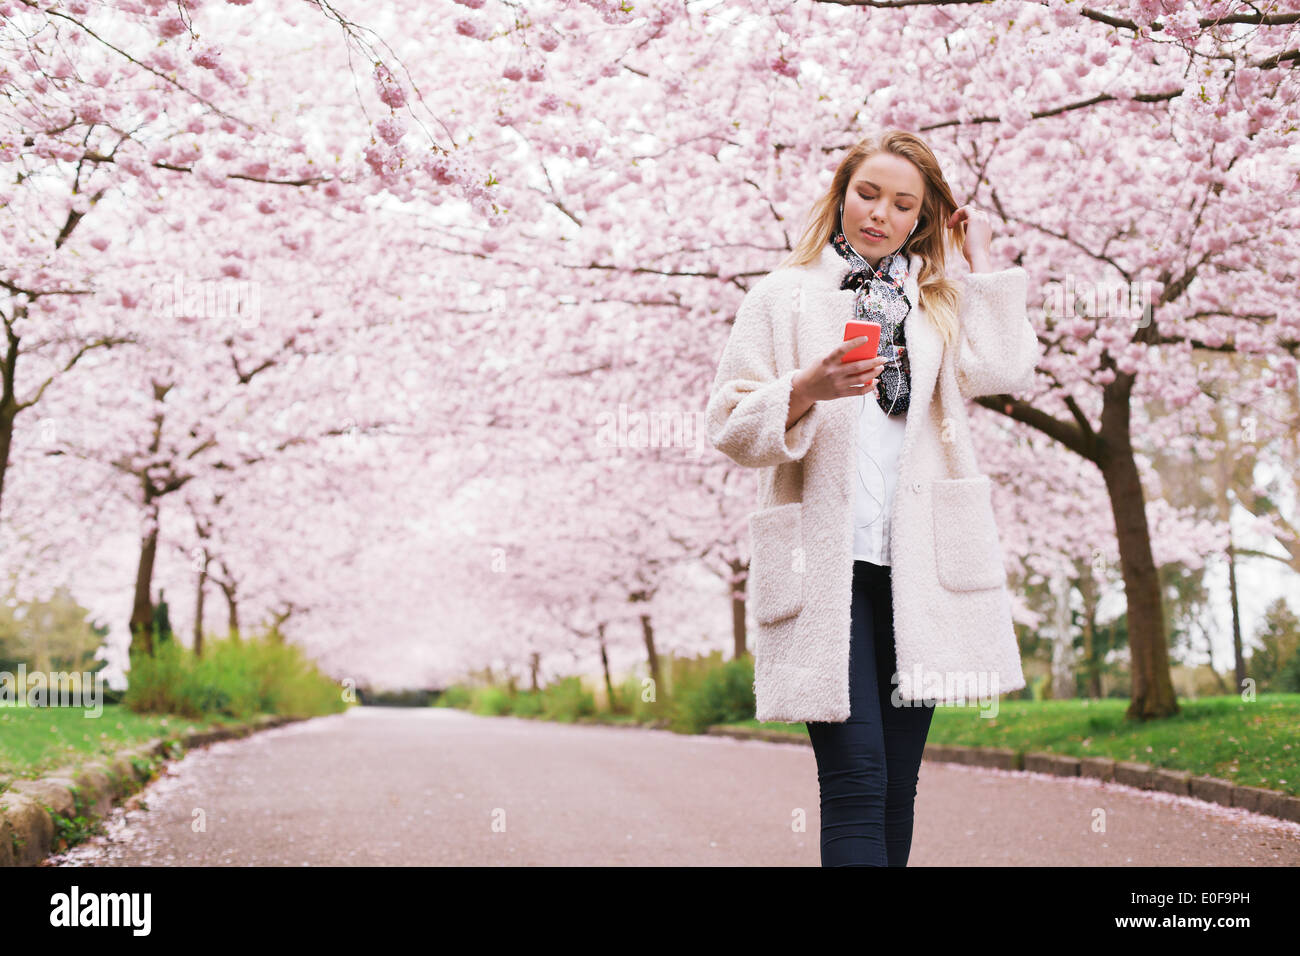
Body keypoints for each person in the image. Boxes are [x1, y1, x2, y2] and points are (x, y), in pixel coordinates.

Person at [706, 128, 1039, 866]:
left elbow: (1005, 365)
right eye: (867, 194)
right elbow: (727, 424)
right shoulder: (784, 298)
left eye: (902, 204)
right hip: (827, 565)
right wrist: (805, 388)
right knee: (855, 778)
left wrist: (977, 260)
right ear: (841, 195)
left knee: (897, 785)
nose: (879, 214)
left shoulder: (935, 304)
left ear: (922, 219)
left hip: (918, 565)